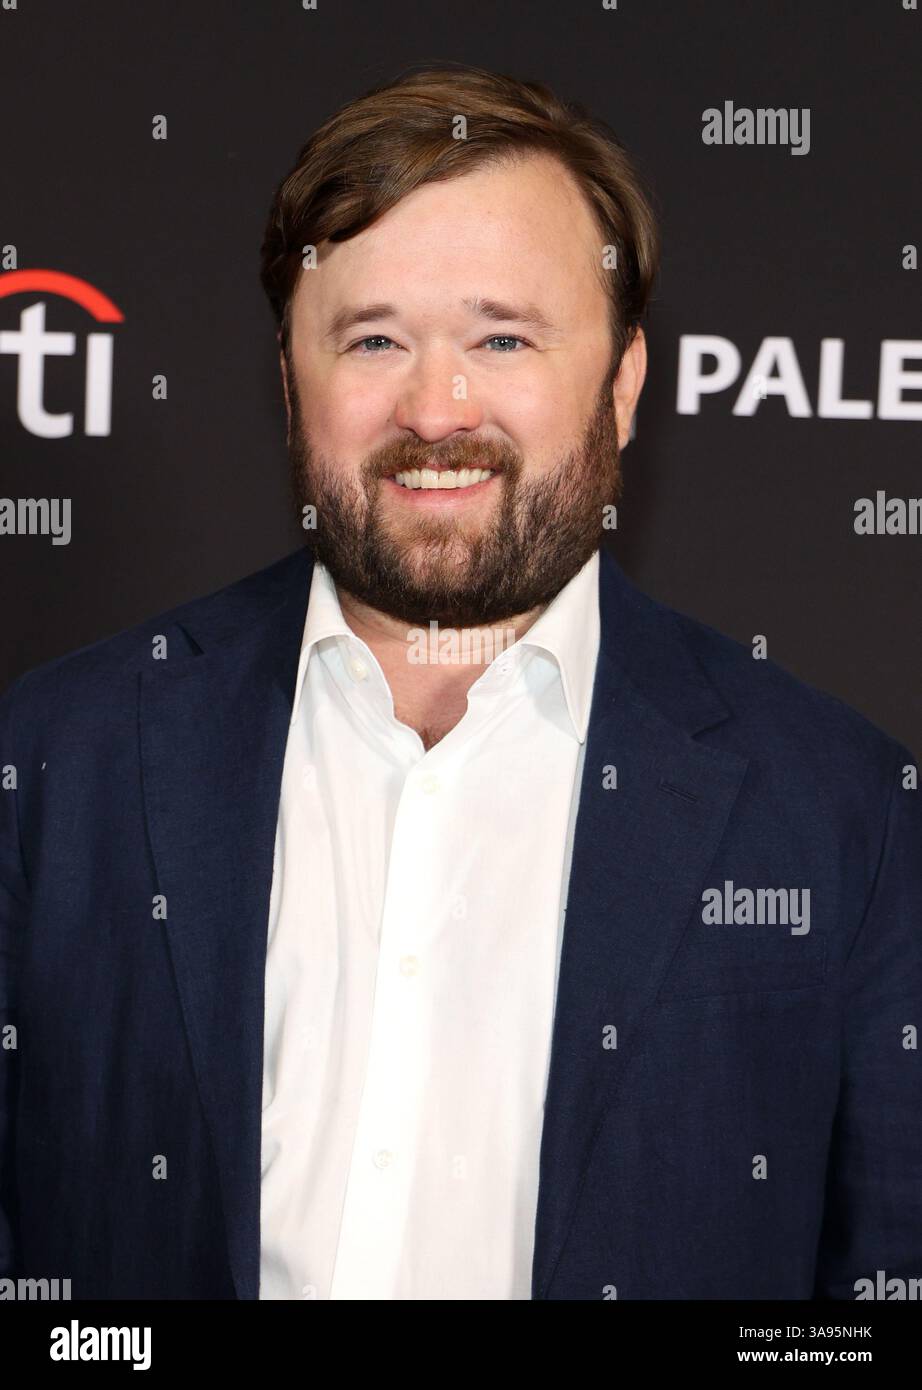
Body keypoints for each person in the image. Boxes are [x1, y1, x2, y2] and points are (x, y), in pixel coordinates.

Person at [1, 63, 919, 1301]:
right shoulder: (57, 761)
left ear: (626, 383)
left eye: (503, 336)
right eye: (373, 338)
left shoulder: (843, 813)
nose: (437, 410)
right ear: (288, 384)